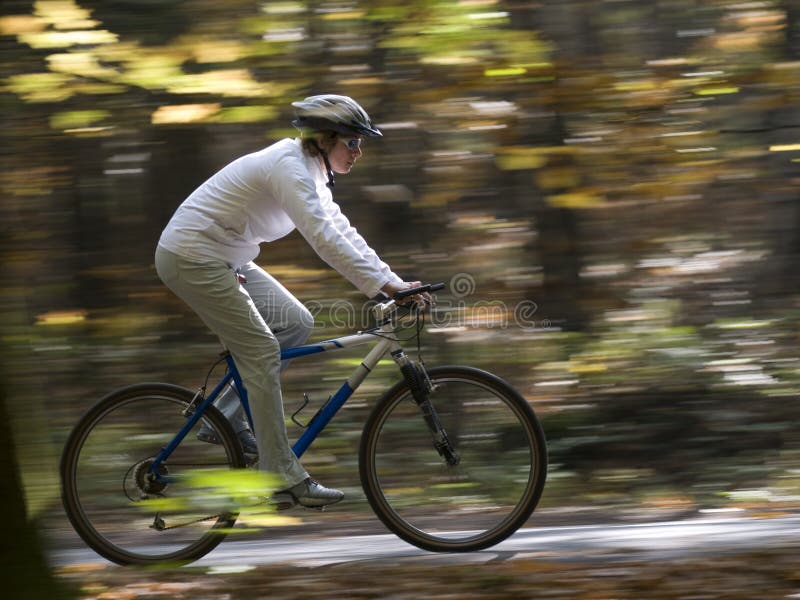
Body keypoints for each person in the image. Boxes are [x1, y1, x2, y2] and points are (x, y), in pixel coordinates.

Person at [155, 94, 424, 508]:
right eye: (351, 141)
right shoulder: (290, 168)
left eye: (359, 142)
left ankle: (225, 415)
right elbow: (324, 239)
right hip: (192, 256)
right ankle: (281, 475)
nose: (358, 150)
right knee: (261, 349)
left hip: (225, 255)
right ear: (323, 138)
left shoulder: (312, 172)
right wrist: (384, 288)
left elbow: (341, 230)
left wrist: (394, 282)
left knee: (295, 322)